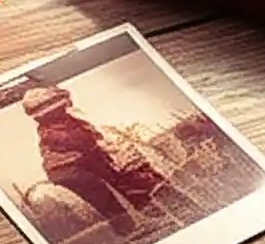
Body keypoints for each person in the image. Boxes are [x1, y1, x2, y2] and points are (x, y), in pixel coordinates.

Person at [22, 86, 168, 236]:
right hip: (70, 169)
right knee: (105, 195)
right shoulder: (52, 131)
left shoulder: (63, 123)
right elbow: (84, 143)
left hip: (73, 167)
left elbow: (91, 141)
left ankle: (145, 218)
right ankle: (133, 228)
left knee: (112, 189)